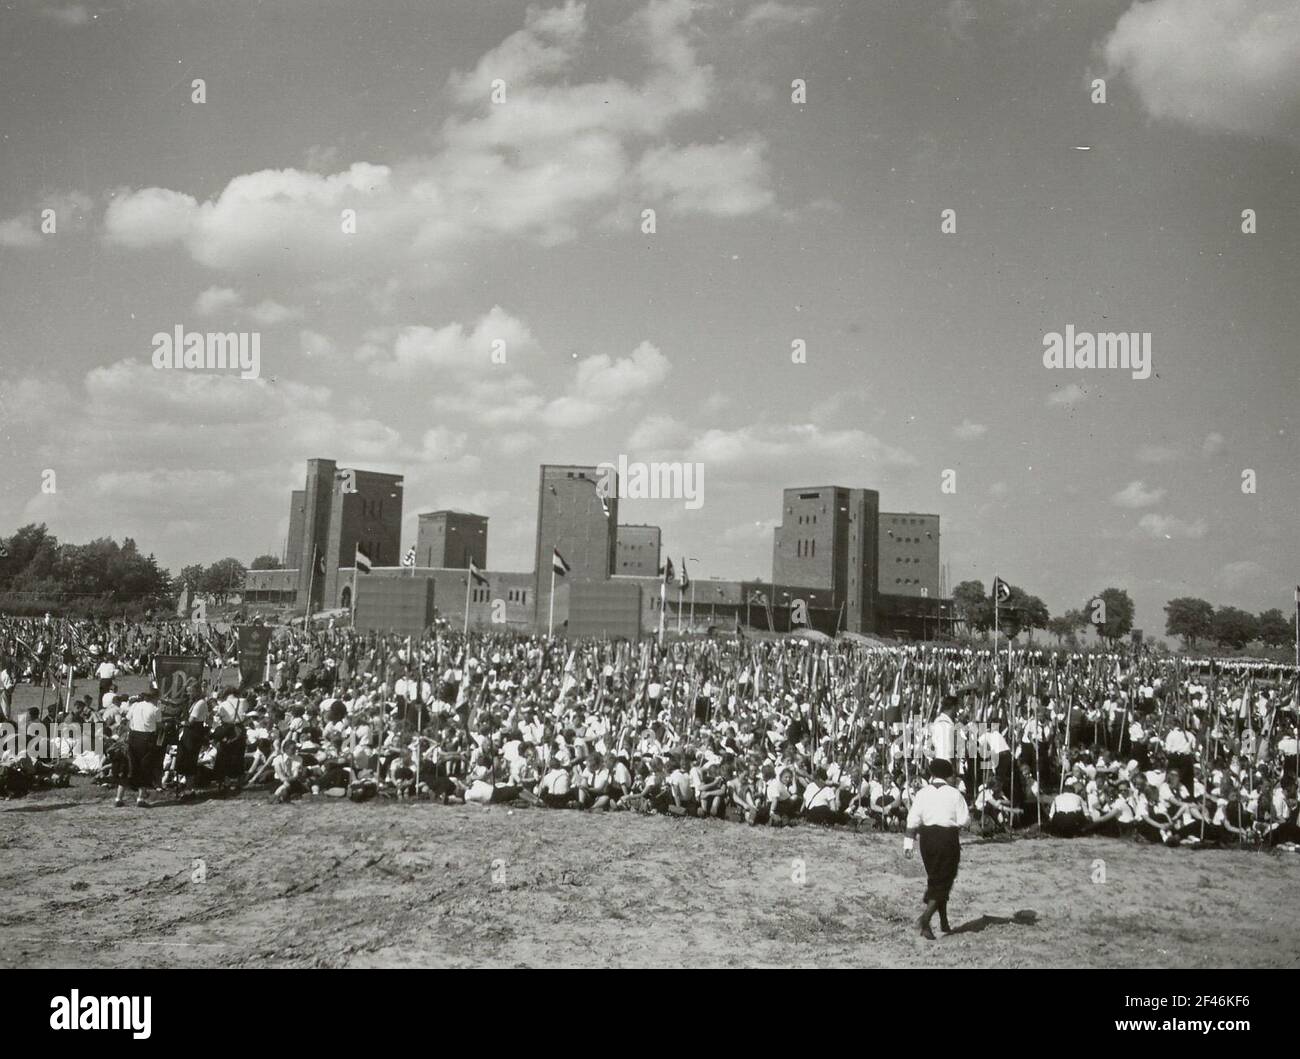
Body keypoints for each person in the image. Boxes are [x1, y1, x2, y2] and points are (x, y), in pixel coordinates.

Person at [904, 758, 969, 939]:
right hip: (947, 838)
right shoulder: (955, 794)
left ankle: (944, 921)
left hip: (927, 839)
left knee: (936, 878)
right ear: (948, 775)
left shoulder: (923, 794)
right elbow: (964, 820)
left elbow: (912, 819)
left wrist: (908, 843)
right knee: (944, 880)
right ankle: (925, 919)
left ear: (931, 774)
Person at [116, 690, 162, 808]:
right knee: (144, 767)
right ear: (154, 698)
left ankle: (119, 797)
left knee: (129, 766)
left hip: (133, 737)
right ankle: (141, 797)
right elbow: (159, 726)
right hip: (147, 738)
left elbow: (127, 718)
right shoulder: (155, 709)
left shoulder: (135, 706)